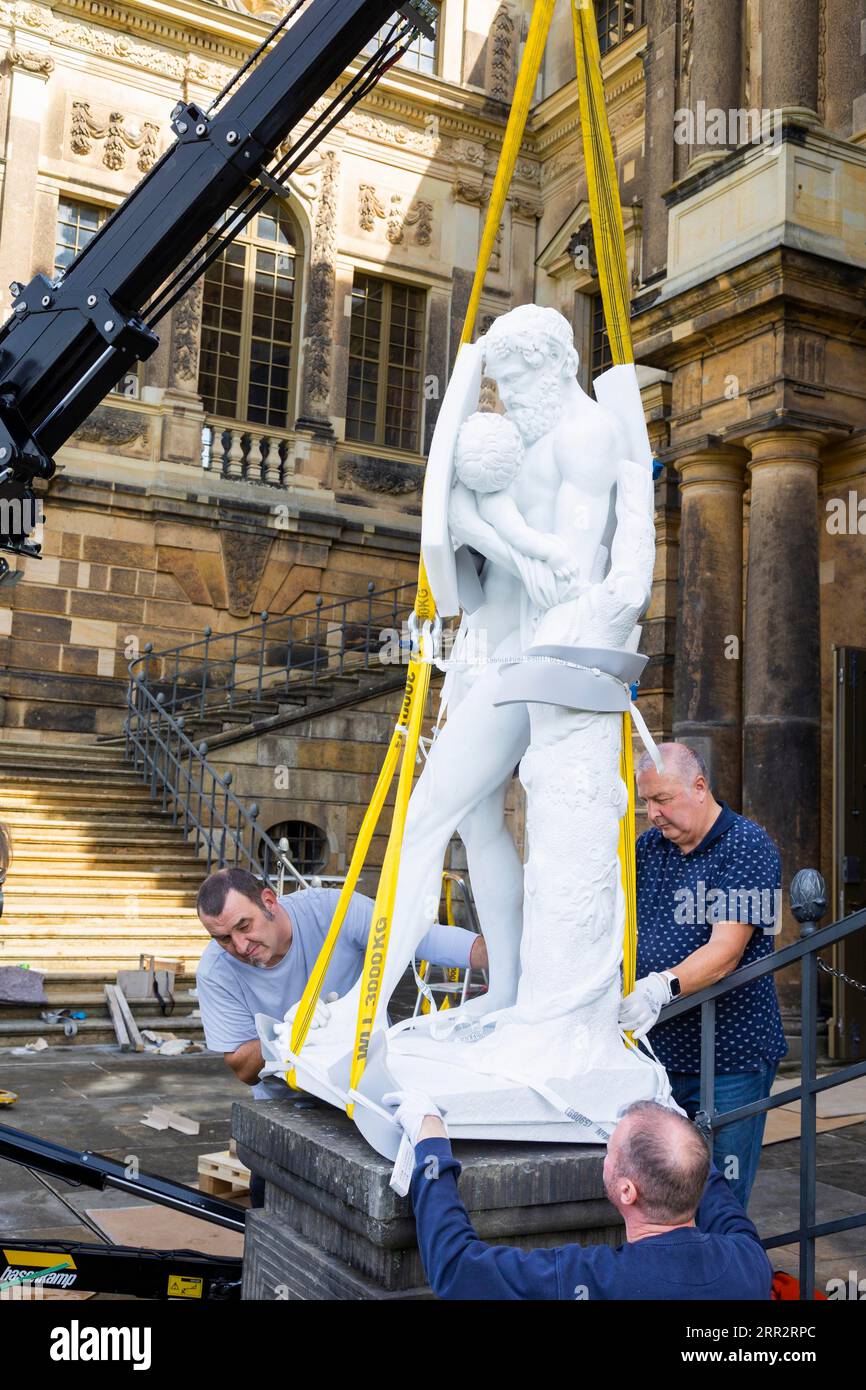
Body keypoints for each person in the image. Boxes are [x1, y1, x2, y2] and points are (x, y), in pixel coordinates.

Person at [388, 1091, 773, 1300]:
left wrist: (431, 1141)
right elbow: (717, 1195)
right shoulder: (748, 1261)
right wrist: (672, 1130)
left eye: (610, 1152)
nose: (605, 1156)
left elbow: (457, 1269)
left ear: (626, 1191)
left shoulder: (593, 1279)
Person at [619, 743, 786, 1208]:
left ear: (699, 787)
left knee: (721, 1196)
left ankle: (728, 1278)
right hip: (658, 1055)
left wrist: (659, 987)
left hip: (728, 1058)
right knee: (661, 1195)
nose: (652, 813)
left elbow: (725, 951)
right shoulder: (650, 848)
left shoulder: (747, 846)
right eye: (646, 802)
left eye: (663, 800)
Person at [195, 867, 487, 1100]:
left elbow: (420, 938)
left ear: (269, 902)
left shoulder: (332, 911)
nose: (240, 945)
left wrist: (511, 956)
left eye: (244, 926)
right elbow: (243, 1068)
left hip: (368, 1081)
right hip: (287, 1102)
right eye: (223, 938)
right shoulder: (216, 971)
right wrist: (285, 1035)